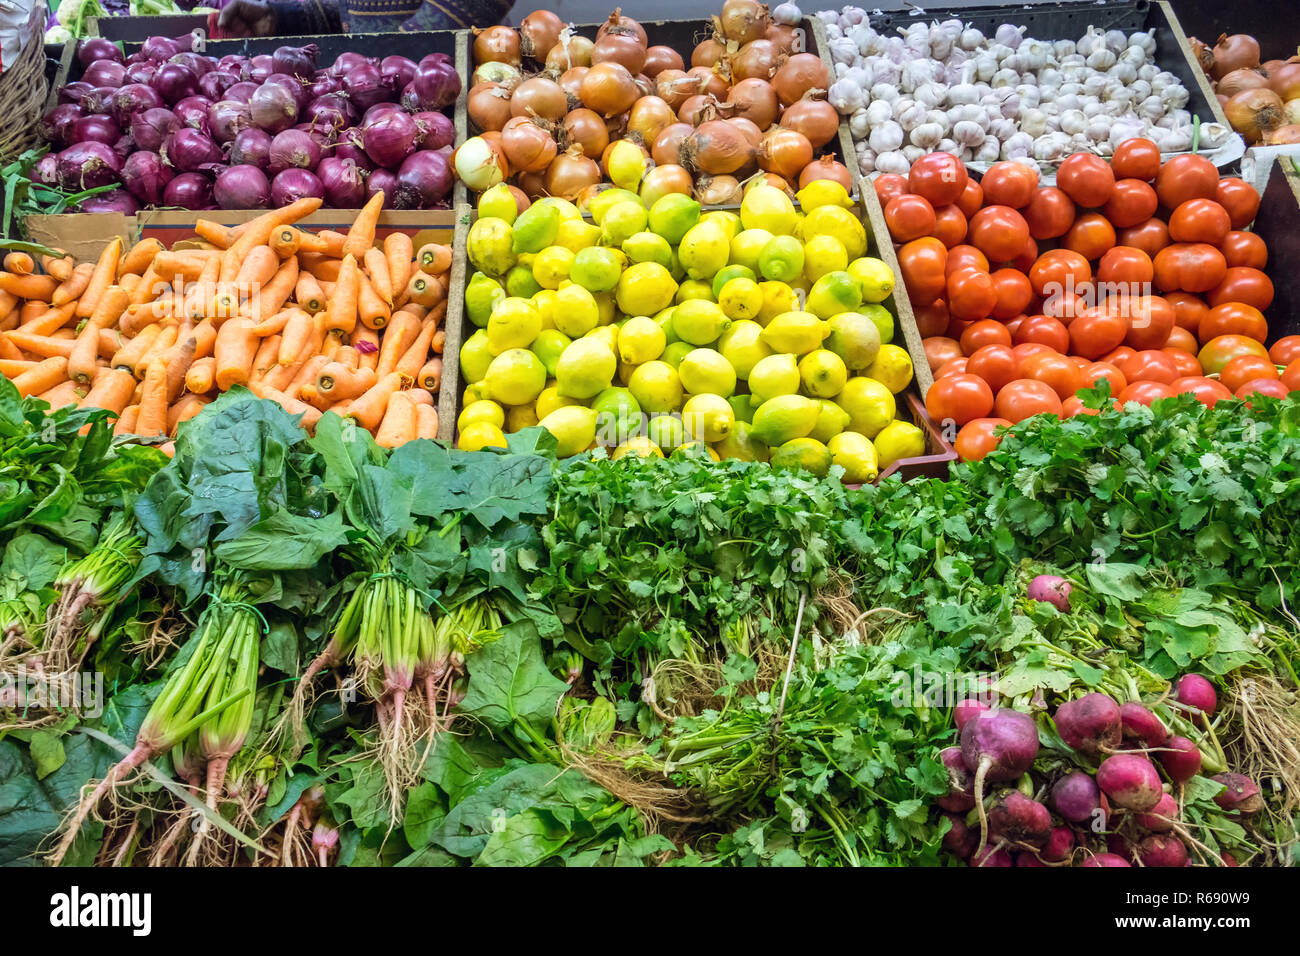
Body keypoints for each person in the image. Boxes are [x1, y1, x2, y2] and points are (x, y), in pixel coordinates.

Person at [215, 0, 514, 36]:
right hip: (376, 97)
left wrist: (404, 46)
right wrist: (277, 17)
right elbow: (353, 13)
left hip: (450, 101)